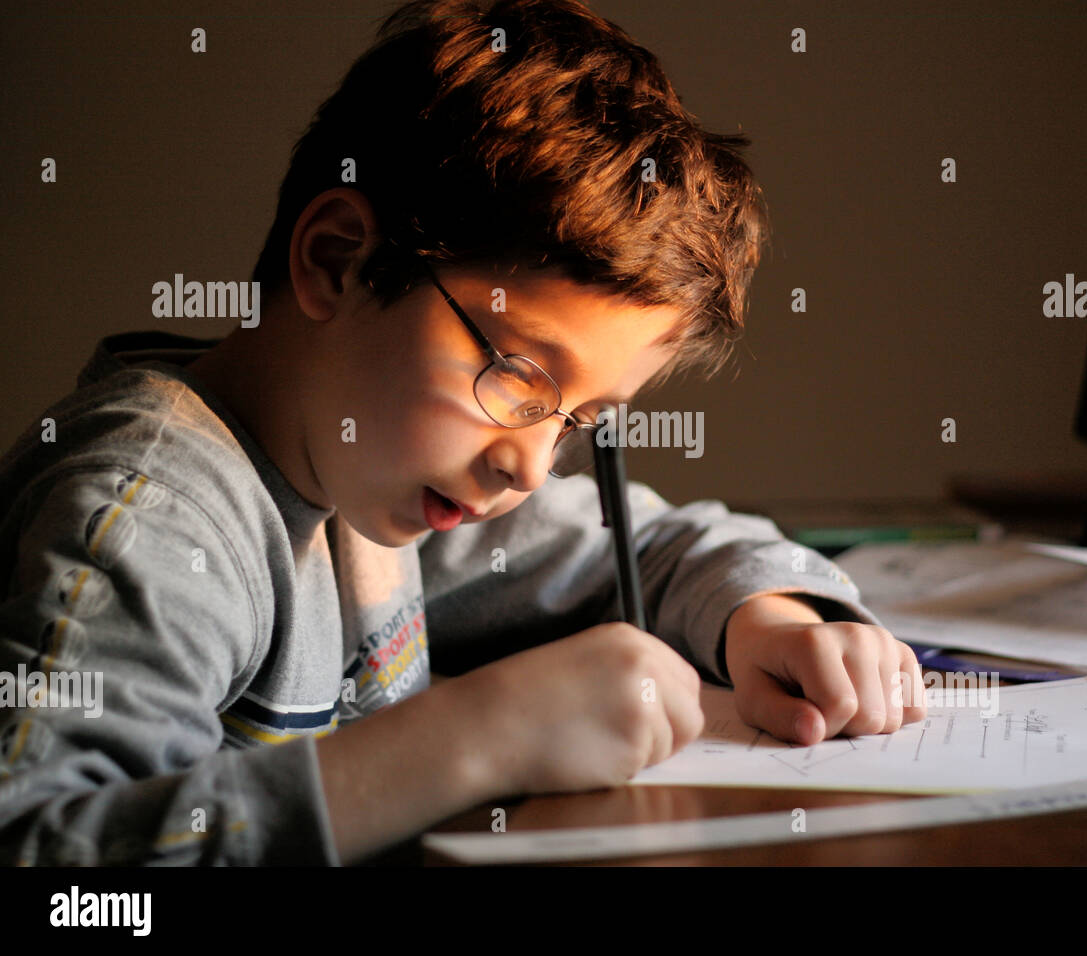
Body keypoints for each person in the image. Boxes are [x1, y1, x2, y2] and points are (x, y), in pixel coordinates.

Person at [0, 0, 925, 866]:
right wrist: (468, 743)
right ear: (339, 260)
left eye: (581, 420)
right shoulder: (155, 521)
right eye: (518, 377)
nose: (528, 465)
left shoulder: (365, 473)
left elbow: (650, 544)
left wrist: (769, 614)